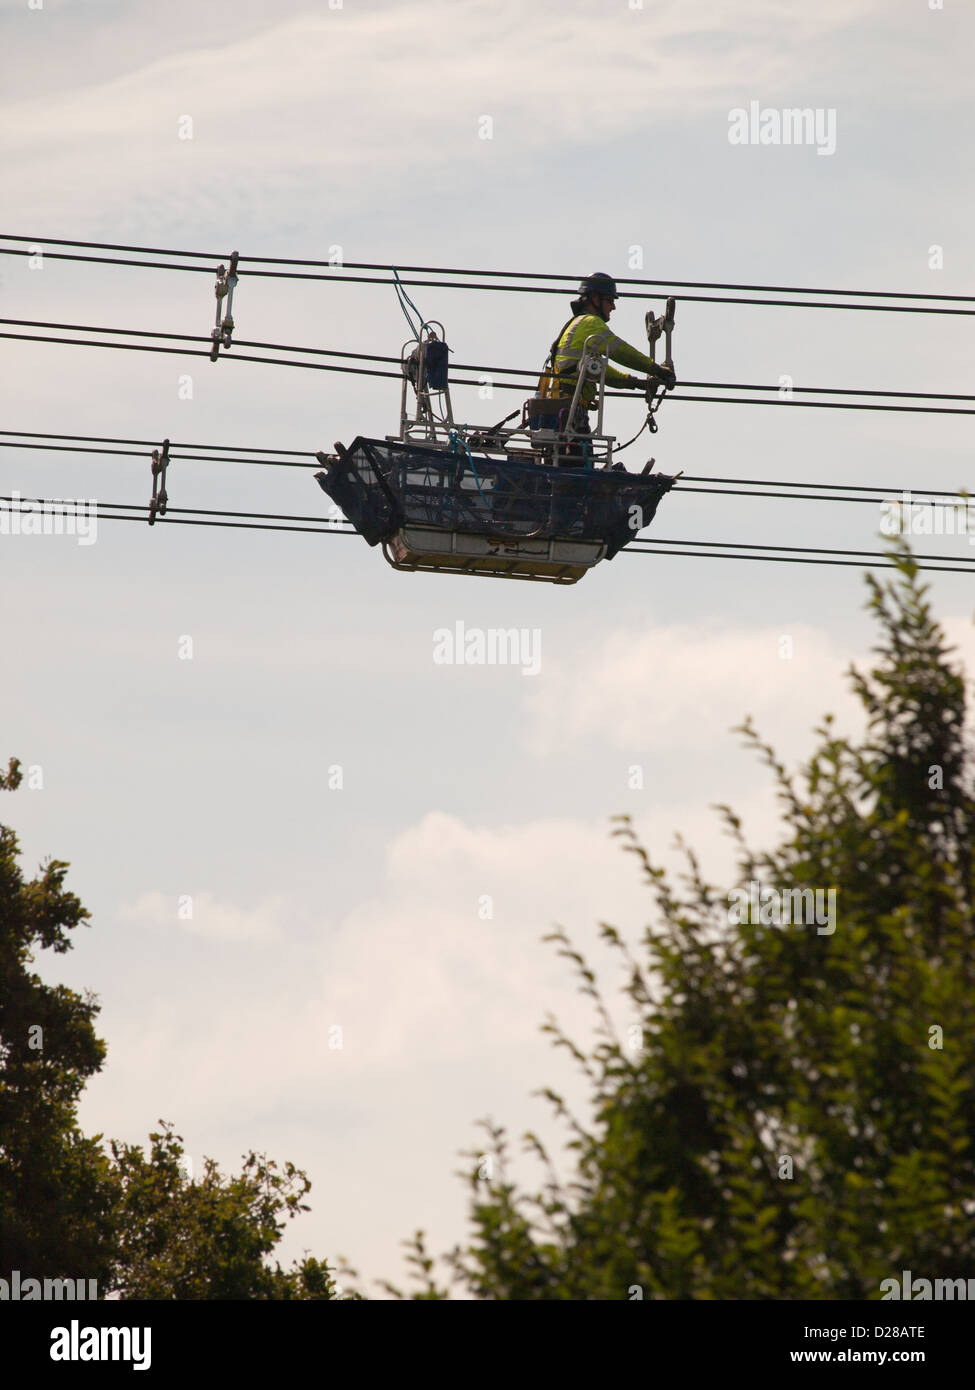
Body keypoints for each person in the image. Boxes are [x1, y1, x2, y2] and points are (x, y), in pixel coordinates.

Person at [539, 273, 676, 425]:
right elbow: (621, 352)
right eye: (609, 301)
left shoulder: (576, 324)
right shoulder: (591, 323)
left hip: (567, 409)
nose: (613, 307)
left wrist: (635, 383)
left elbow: (602, 373)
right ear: (595, 298)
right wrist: (657, 369)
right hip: (569, 410)